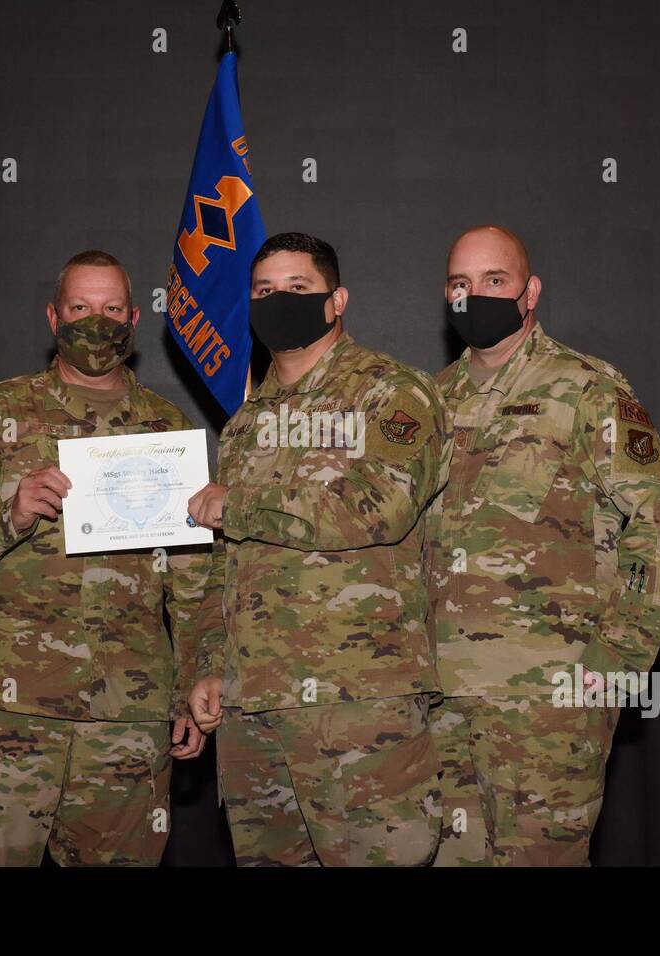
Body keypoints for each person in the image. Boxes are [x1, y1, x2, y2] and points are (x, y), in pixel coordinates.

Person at [0, 250, 223, 866]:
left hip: (126, 719)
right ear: (54, 317)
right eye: (80, 308)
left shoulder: (166, 430)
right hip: (11, 711)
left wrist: (193, 684)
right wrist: (12, 516)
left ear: (134, 321)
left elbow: (197, 586)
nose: (94, 323)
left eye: (110, 310)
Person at [429, 225, 660, 866]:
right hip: (439, 697)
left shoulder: (585, 388)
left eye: (494, 281)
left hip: (550, 701)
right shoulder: (428, 402)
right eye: (461, 285)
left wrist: (618, 661)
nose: (476, 296)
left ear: (530, 292)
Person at [185, 232, 452, 866]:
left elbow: (378, 509)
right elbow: (229, 563)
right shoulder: (246, 423)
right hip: (254, 707)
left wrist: (240, 504)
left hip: (356, 701)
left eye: (297, 289)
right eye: (263, 292)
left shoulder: (392, 393)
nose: (278, 301)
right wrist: (208, 663)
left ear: (337, 301)